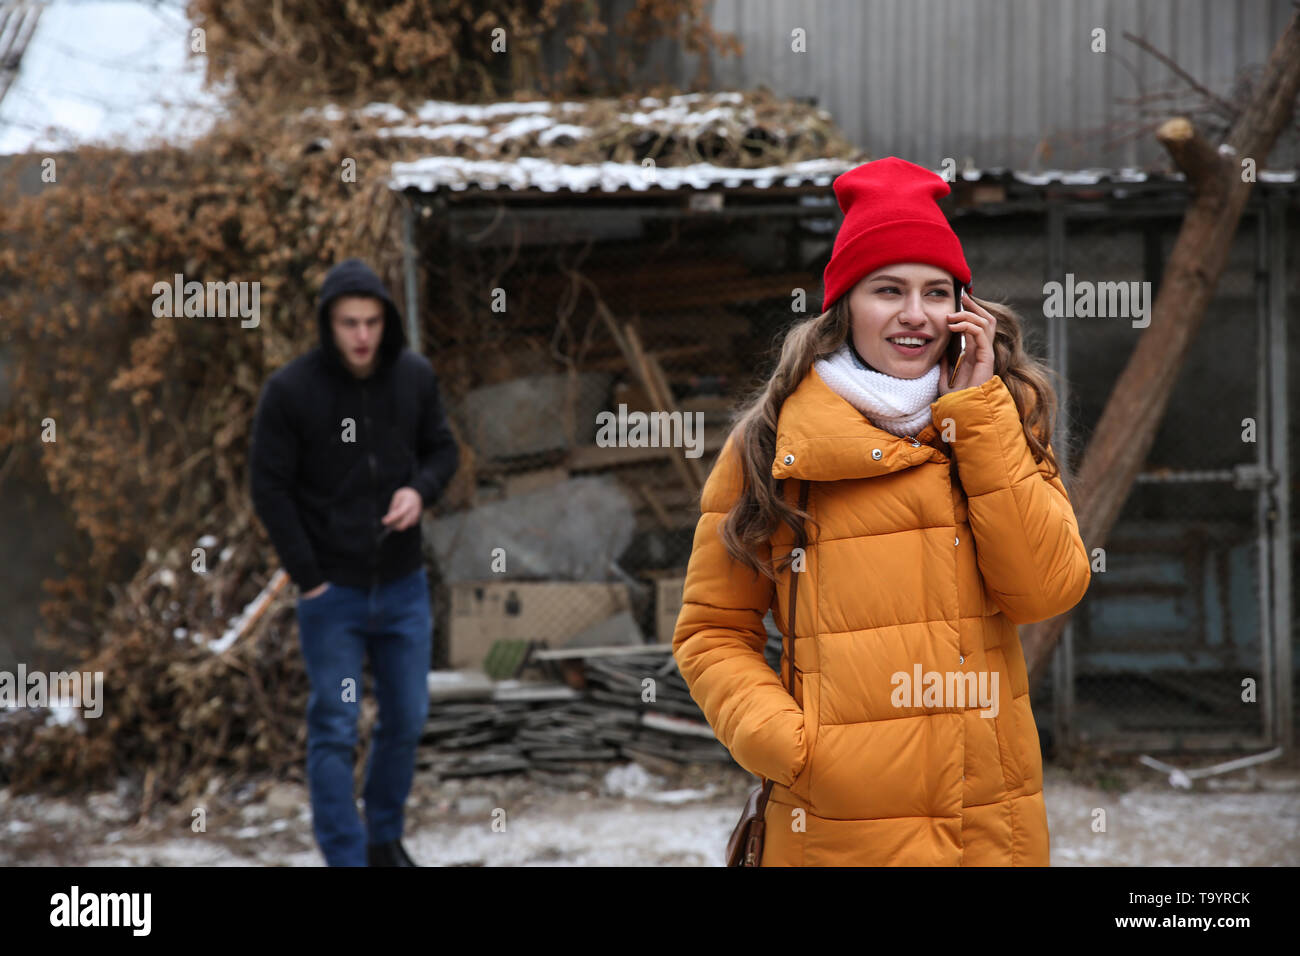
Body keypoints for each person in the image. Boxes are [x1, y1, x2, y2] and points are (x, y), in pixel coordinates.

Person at [672, 157, 1091, 866]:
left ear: (965, 308)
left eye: (937, 291)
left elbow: (1046, 589)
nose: (915, 315)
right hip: (836, 828)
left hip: (988, 827)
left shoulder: (1001, 418)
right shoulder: (773, 442)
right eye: (887, 289)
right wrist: (793, 746)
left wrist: (978, 417)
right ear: (846, 305)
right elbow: (713, 630)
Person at [249, 257, 459, 867]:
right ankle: (345, 856)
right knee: (336, 726)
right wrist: (308, 578)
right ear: (328, 324)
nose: (362, 335)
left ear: (386, 322)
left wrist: (419, 490)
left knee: (407, 718)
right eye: (348, 323)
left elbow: (444, 449)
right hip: (331, 594)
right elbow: (269, 487)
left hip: (402, 586)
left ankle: (383, 839)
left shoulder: (413, 377)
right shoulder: (292, 391)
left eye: (371, 321)